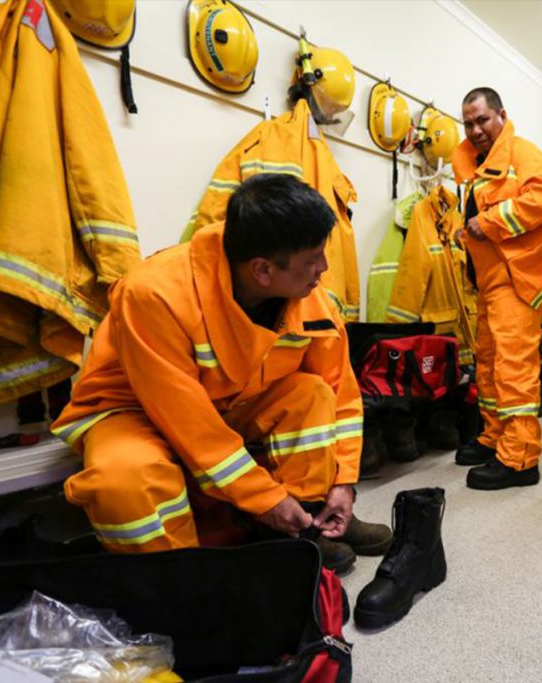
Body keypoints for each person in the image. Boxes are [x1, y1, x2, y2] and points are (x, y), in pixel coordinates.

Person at [51, 174, 388, 572]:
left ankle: (307, 524)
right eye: (313, 258)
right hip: (131, 411)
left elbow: (341, 394)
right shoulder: (155, 293)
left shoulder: (311, 299)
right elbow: (189, 423)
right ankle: (179, 579)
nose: (324, 268)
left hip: (225, 405)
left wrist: (343, 483)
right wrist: (265, 500)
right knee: (124, 479)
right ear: (263, 270)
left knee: (311, 394)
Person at [450, 87, 542, 490]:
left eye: (482, 119)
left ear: (501, 115)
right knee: (491, 365)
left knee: (514, 369)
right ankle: (496, 437)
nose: (475, 129)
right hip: (489, 282)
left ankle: (520, 459)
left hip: (515, 279)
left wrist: (491, 222)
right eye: (468, 123)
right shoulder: (476, 165)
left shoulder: (523, 153)